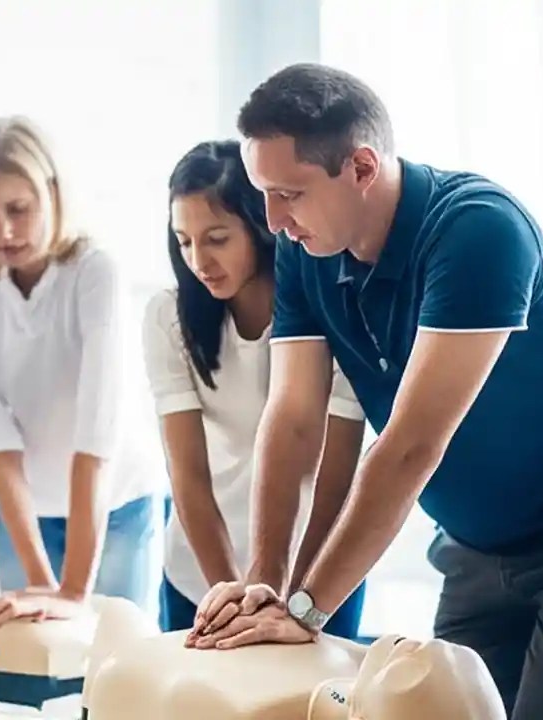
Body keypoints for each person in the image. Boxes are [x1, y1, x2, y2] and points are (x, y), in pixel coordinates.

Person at [193, 62, 543, 720]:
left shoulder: (477, 230)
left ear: (360, 167)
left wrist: (307, 610)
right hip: (478, 545)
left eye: (290, 194)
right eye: (262, 193)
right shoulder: (305, 253)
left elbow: (410, 446)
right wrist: (267, 582)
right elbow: (294, 416)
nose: (272, 220)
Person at [0, 116, 162, 631]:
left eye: (18, 209)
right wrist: (44, 587)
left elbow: (96, 436)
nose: (3, 232)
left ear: (53, 194)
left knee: (116, 662)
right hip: (27, 511)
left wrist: (72, 594)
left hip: (116, 503)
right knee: (32, 660)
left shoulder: (95, 270)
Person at [144, 140, 367, 638]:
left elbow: (337, 478)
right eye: (184, 241)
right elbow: (188, 478)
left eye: (217, 238)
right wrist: (235, 600)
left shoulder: (334, 311)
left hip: (322, 567)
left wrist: (297, 602)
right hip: (200, 575)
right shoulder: (167, 317)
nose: (199, 259)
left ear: (262, 225)